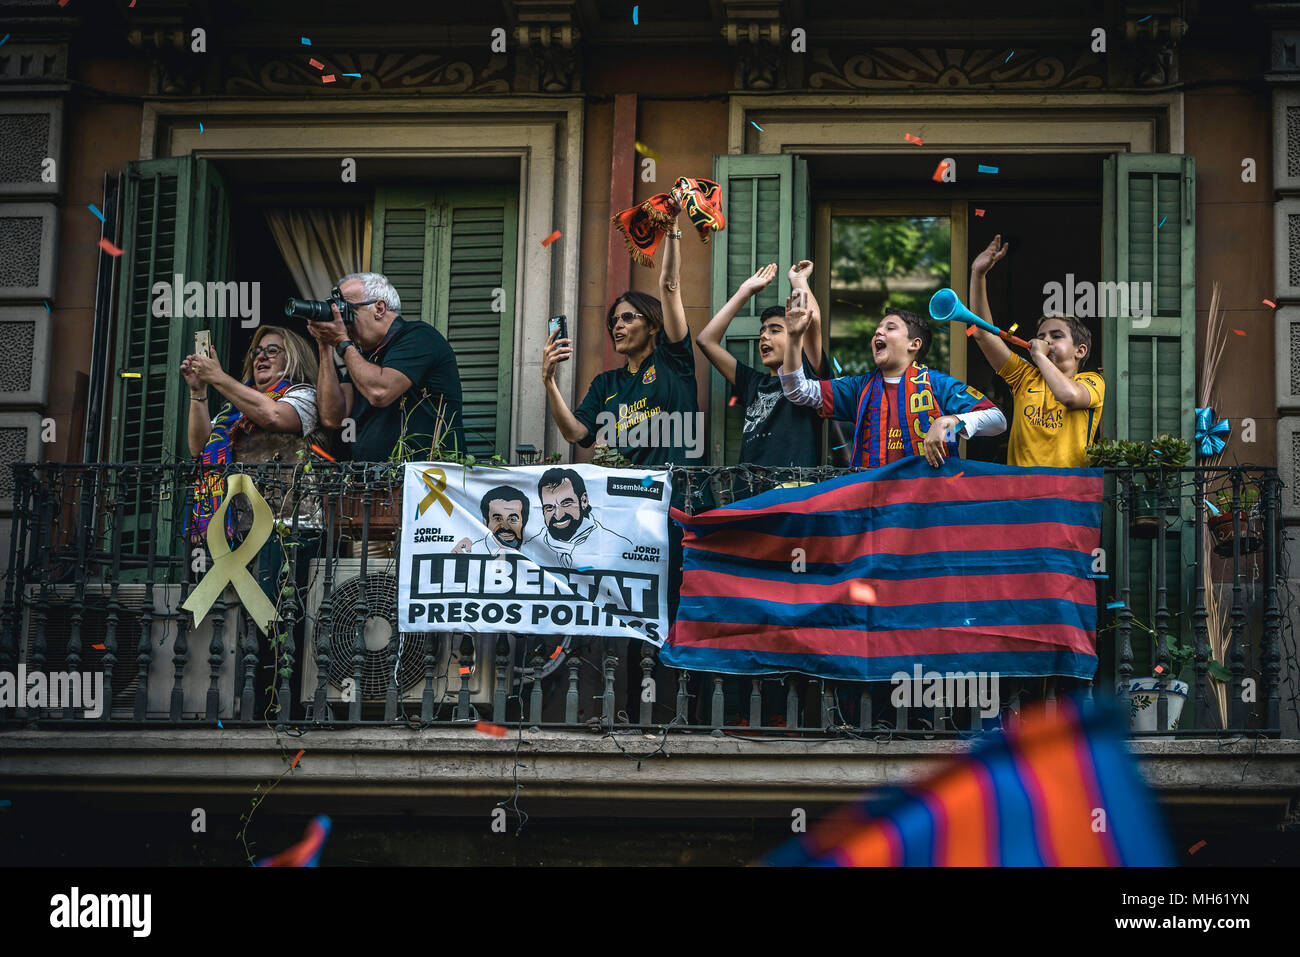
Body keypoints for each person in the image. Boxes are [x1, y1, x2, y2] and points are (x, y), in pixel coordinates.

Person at [542, 211, 702, 479]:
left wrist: (673, 229)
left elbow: (670, 286)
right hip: (628, 503)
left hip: (677, 498)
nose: (618, 325)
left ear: (652, 325)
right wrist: (549, 381)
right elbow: (575, 433)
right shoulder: (606, 384)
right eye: (614, 321)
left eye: (628, 318)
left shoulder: (673, 361)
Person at [779, 293, 1007, 468]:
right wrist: (794, 337)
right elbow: (798, 391)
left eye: (890, 328)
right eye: (877, 330)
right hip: (873, 503)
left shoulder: (938, 385)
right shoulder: (859, 387)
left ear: (914, 344)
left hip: (926, 505)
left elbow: (998, 420)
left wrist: (949, 422)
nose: (878, 333)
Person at [969, 236, 1105, 468]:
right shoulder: (1025, 376)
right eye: (1041, 337)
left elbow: (1069, 396)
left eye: (1057, 336)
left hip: (1068, 494)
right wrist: (978, 275)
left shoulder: (1092, 381)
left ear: (1080, 351)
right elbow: (983, 334)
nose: (1045, 341)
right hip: (1022, 493)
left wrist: (1040, 355)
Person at [307, 272, 465, 461]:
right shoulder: (362, 358)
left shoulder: (419, 337)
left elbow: (380, 392)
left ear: (379, 308)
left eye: (346, 311)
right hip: (374, 483)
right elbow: (333, 417)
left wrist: (342, 341)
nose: (342, 321)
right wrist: (325, 346)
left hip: (425, 477)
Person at [697, 260, 826, 470]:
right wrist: (743, 292)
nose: (764, 337)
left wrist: (799, 280)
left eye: (775, 330)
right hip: (749, 497)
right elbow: (706, 340)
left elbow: (813, 321)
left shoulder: (809, 375)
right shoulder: (752, 383)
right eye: (762, 332)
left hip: (791, 494)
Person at [525, 468, 633, 569]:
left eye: (566, 503)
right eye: (549, 507)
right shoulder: (528, 549)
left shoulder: (618, 546)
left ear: (584, 501)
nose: (558, 515)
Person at [452, 486, 530, 555]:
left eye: (513, 519)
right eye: (498, 519)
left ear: (524, 524)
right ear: (485, 522)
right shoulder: (469, 552)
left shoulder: (536, 556)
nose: (505, 526)